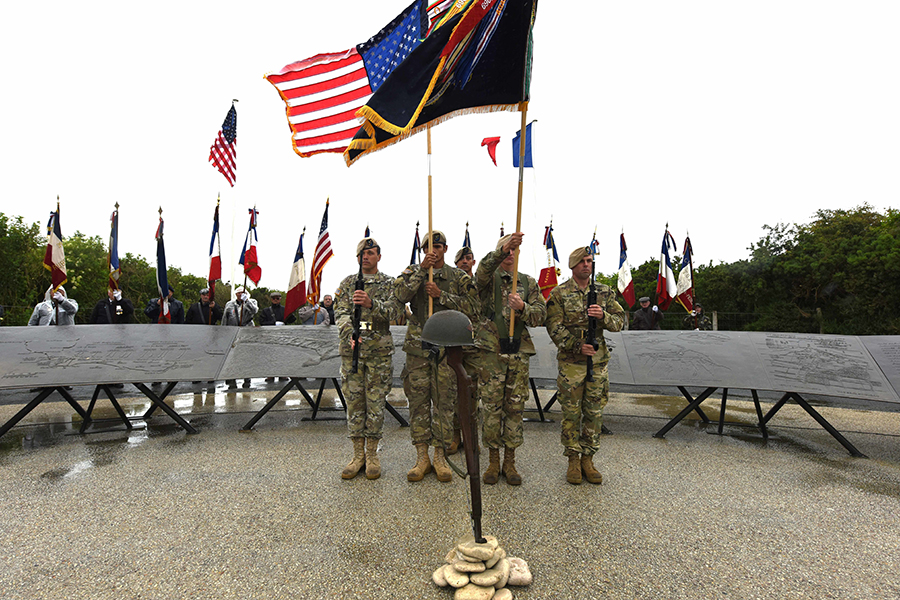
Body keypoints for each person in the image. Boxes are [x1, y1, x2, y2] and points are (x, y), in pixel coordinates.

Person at [395, 230, 477, 483]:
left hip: (447, 348)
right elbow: (399, 297)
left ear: (445, 249)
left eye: (438, 246)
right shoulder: (412, 272)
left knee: (444, 402)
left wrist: (442, 296)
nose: (433, 251)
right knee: (418, 402)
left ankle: (440, 456)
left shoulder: (458, 277)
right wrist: (421, 271)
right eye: (428, 247)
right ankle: (422, 457)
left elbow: (474, 307)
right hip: (418, 346)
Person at [545, 246, 625, 485]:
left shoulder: (604, 292)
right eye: (582, 261)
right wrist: (576, 345)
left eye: (589, 261)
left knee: (594, 412)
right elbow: (554, 327)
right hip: (572, 363)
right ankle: (573, 459)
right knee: (571, 412)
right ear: (573, 265)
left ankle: (588, 459)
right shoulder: (559, 294)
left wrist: (603, 316)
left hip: (597, 363)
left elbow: (620, 322)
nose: (587, 265)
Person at [475, 233, 546, 486]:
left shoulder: (527, 283)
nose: (510, 255)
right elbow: (481, 273)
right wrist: (501, 249)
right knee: (491, 408)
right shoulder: (488, 280)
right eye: (506, 251)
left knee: (515, 408)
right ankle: (493, 460)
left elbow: (541, 315)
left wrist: (523, 308)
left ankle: (510, 461)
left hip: (517, 354)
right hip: (491, 355)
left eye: (514, 251)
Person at [334, 237, 401, 480]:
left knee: (375, 404)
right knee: (354, 403)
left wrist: (372, 304)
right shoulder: (348, 283)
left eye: (371, 253)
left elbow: (397, 311)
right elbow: (340, 312)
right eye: (362, 253)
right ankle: (357, 456)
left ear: (379, 257)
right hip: (353, 352)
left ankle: (372, 454)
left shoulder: (389, 283)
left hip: (378, 354)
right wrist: (348, 333)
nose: (366, 256)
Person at [222, 286, 258, 388]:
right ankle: (231, 380)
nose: (240, 294)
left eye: (242, 292)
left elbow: (254, 311)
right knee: (232, 357)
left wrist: (246, 301)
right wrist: (223, 331)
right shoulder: (229, 304)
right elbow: (225, 318)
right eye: (238, 293)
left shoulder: (252, 302)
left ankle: (247, 378)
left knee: (246, 357)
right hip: (232, 333)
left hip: (247, 332)